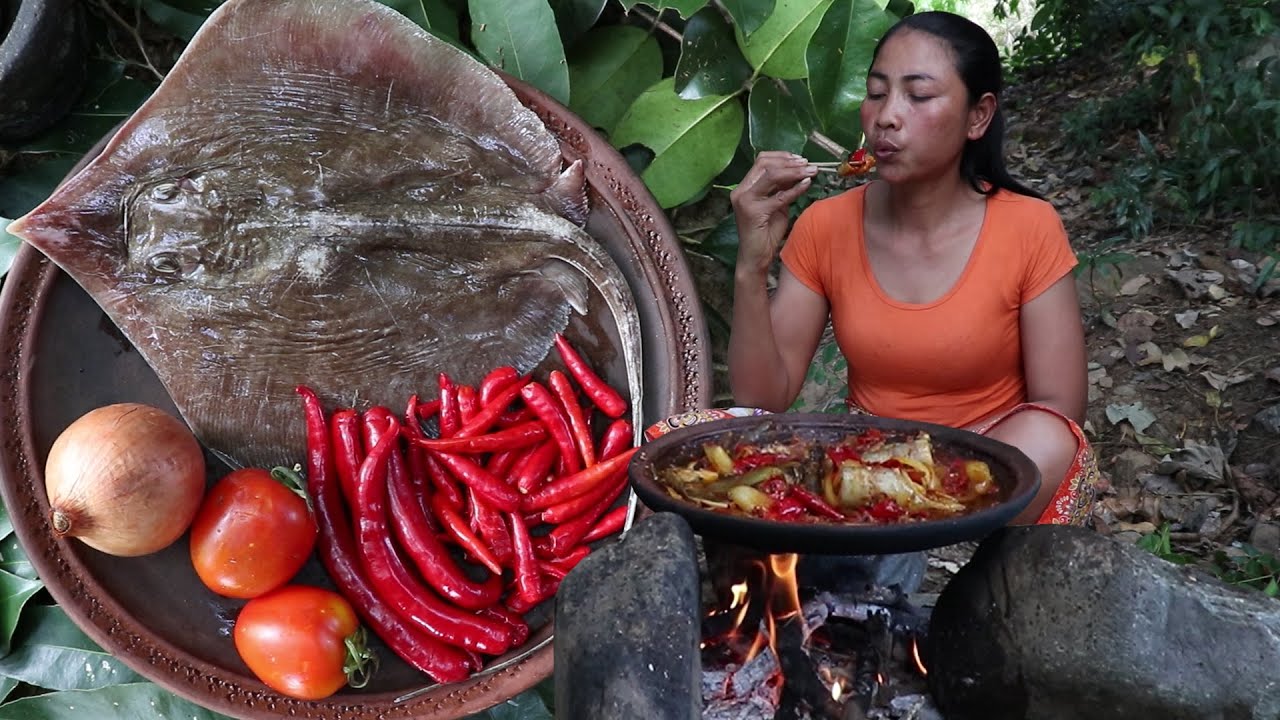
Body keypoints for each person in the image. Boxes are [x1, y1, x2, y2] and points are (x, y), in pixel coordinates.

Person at [727, 10, 1097, 525]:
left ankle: (905, 533)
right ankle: (889, 536)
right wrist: (751, 264)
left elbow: (1060, 406)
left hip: (981, 465)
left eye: (918, 96)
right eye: (876, 93)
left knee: (1050, 439)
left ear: (978, 116)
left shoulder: (1029, 226)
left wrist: (924, 469)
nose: (886, 117)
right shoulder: (826, 225)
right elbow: (761, 398)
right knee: (718, 427)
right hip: (863, 460)